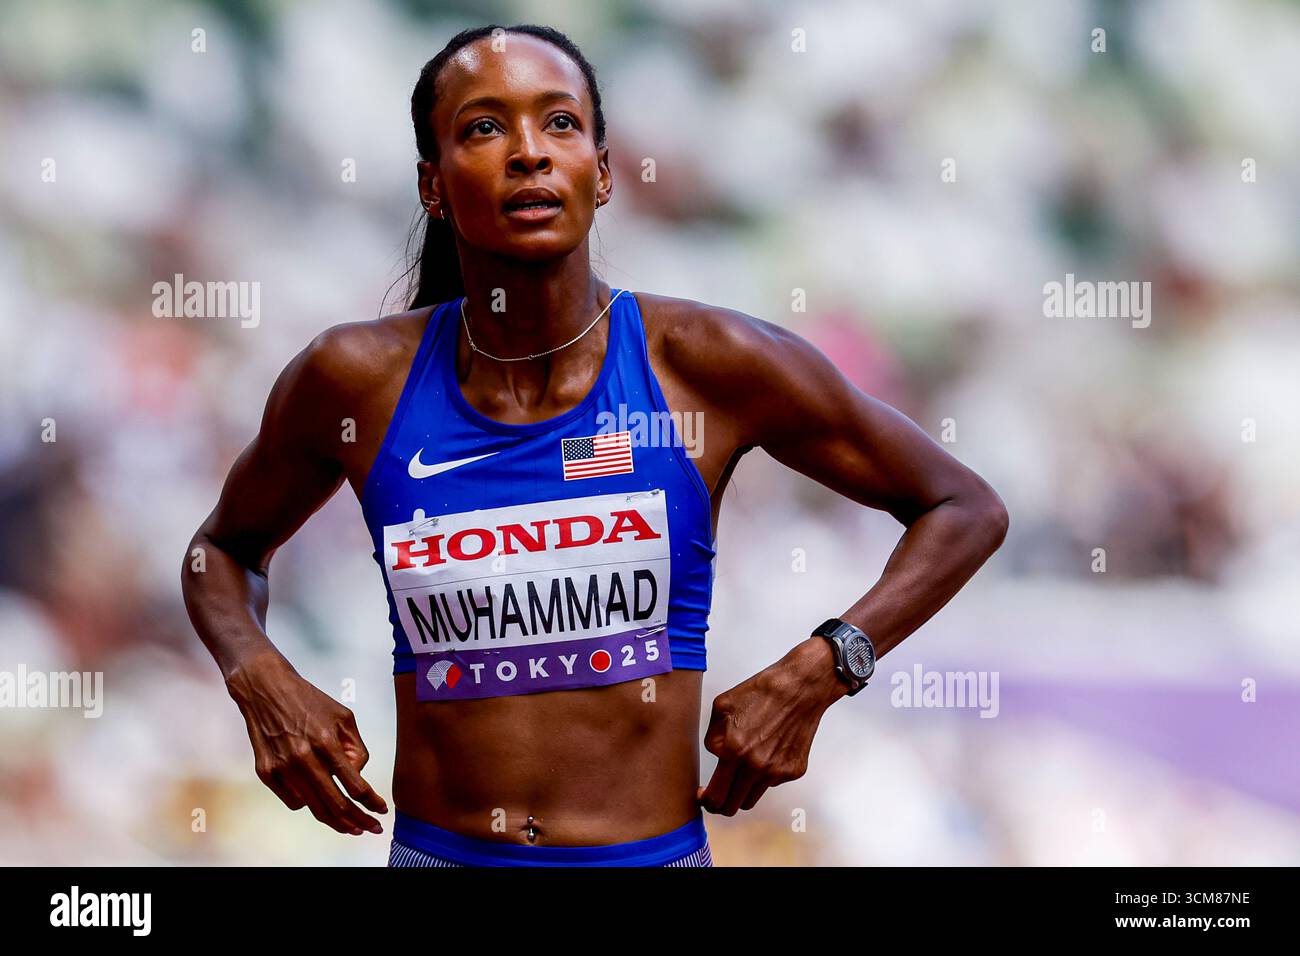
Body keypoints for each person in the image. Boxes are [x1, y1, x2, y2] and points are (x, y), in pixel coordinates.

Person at [180, 22, 1009, 868]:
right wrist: (259, 676)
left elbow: (964, 507)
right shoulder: (353, 380)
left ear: (604, 173)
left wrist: (822, 669)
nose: (529, 154)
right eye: (483, 127)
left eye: (561, 123)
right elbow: (221, 551)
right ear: (433, 186)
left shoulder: (706, 365)